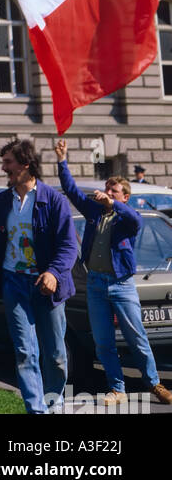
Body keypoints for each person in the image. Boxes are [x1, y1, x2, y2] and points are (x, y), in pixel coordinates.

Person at [56, 140, 172, 406]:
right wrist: (62, 161)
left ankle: (154, 384)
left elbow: (136, 221)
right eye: (107, 187)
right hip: (96, 284)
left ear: (124, 196)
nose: (108, 191)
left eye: (114, 189)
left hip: (121, 285)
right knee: (103, 341)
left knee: (137, 337)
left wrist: (113, 204)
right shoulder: (95, 212)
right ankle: (116, 388)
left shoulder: (126, 217)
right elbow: (71, 191)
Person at [0, 138, 77, 415]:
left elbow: (69, 246)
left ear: (26, 165)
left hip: (47, 287)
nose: (3, 167)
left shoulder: (53, 200)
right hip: (14, 283)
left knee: (55, 355)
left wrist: (54, 273)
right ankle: (36, 409)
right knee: (24, 351)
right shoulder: (3, 202)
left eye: (8, 162)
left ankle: (54, 404)